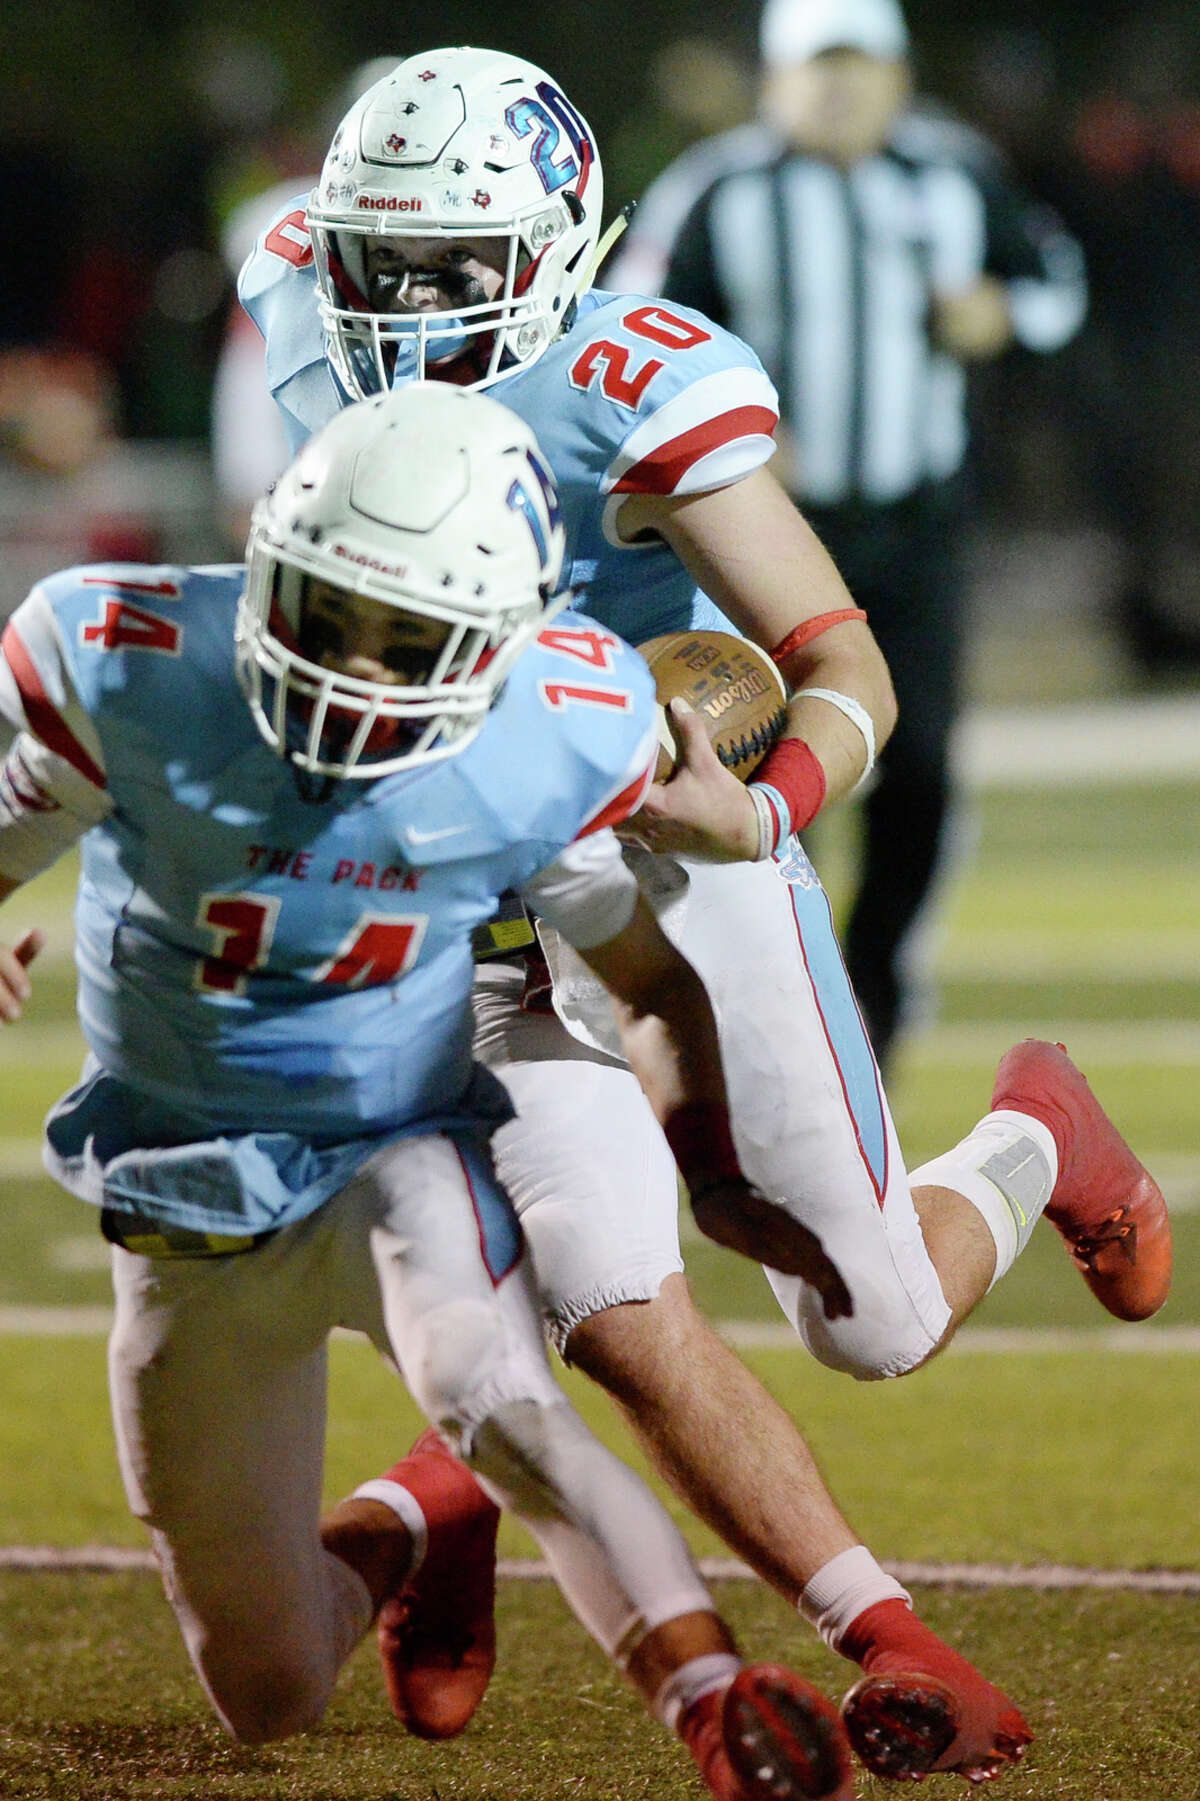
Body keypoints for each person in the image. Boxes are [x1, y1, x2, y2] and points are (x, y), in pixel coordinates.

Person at [236, 44, 1169, 1786]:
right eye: (378, 257)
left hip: (657, 865)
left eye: (453, 268)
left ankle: (1037, 1131)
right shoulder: (295, 310)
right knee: (574, 1276)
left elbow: (843, 661)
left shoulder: (628, 389)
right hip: (466, 891)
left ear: (560, 243)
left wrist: (760, 802)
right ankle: (750, 1586)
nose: (402, 304)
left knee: (866, 1319)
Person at [0, 381, 874, 1801]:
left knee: (504, 1391)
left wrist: (712, 1168)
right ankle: (413, 1515)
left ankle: (713, 1697)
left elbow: (654, 982)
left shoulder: (557, 723)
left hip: (393, 1152)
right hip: (179, 1199)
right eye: (325, 608)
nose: (351, 667)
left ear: (505, 642)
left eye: (408, 640)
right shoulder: (130, 660)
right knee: (267, 1690)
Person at [606, 0, 1089, 1070]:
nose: (842, 89)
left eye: (862, 67)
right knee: (775, 762)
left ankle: (877, 988)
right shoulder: (719, 188)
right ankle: (796, 998)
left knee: (919, 772)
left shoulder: (955, 174)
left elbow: (1057, 283)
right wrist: (716, 445)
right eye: (820, 67)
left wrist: (1000, 315)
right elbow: (633, 330)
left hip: (917, 524)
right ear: (775, 78)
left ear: (900, 75)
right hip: (767, 535)